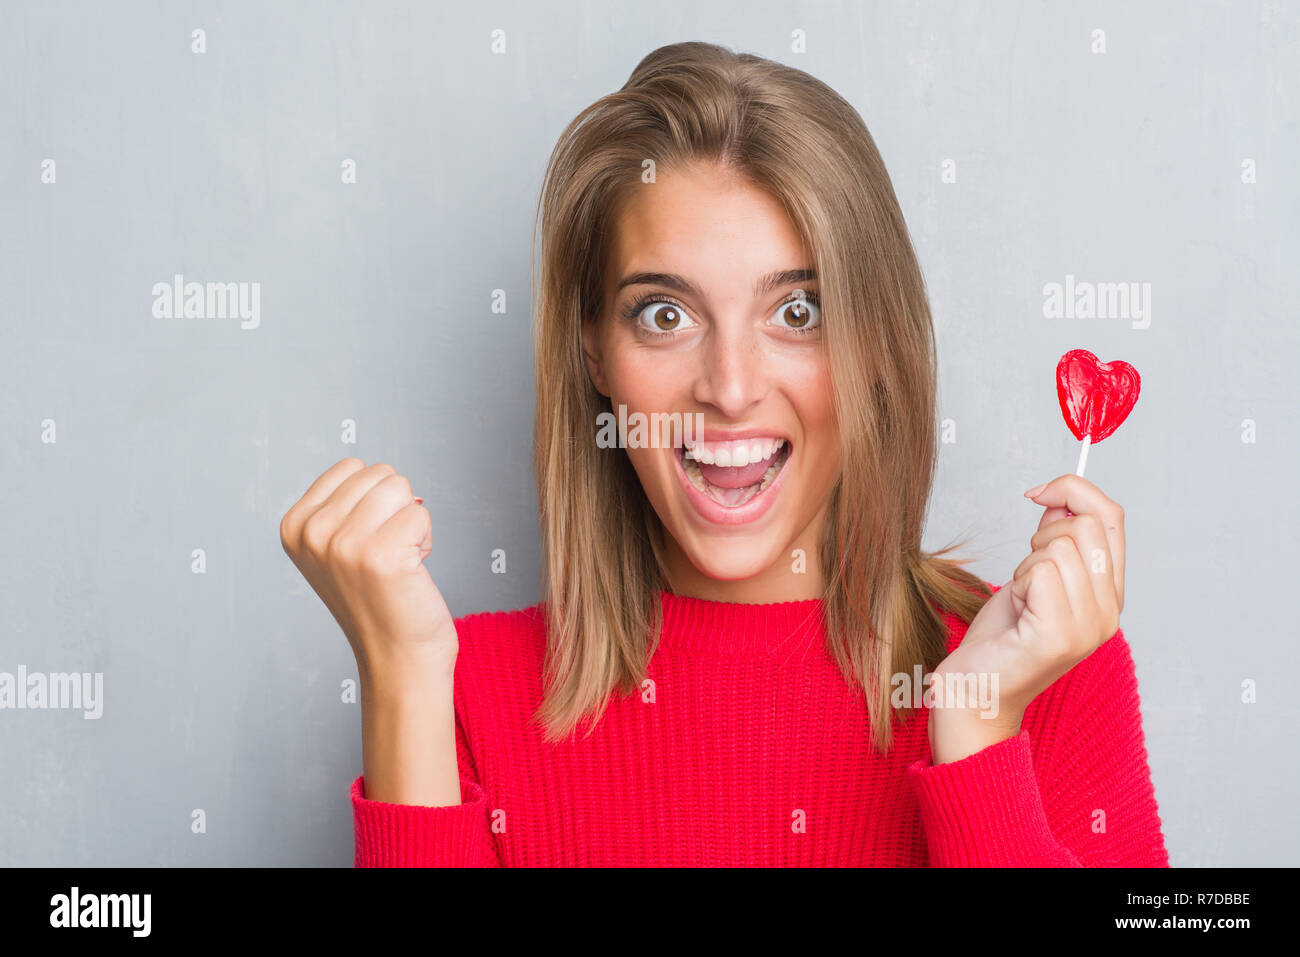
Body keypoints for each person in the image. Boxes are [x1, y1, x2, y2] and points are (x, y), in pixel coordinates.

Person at [279, 41, 1168, 867]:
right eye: (665, 314)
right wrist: (400, 675)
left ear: (877, 347)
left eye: (798, 312)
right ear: (594, 352)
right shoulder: (458, 691)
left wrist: (977, 737)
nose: (731, 387)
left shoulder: (1047, 668)